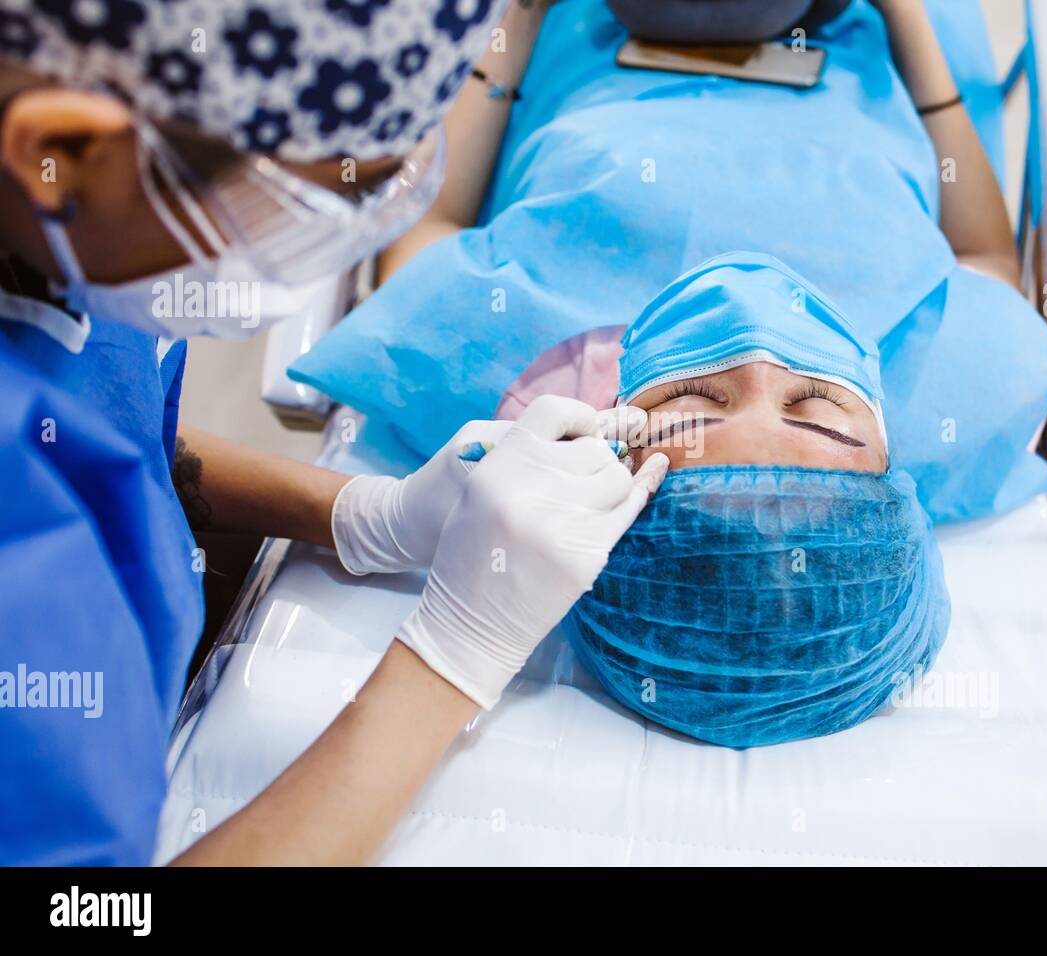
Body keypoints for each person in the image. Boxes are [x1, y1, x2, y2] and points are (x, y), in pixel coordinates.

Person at [0, 0, 668, 866]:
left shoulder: (80, 238)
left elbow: (101, 431)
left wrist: (361, 513)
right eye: (343, 187)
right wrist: (447, 662)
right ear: (63, 151)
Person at [293, 0, 1047, 746]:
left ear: (608, 452)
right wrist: (910, 27)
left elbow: (430, 219)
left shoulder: (506, 384)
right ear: (896, 463)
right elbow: (990, 257)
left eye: (695, 400)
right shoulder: (942, 391)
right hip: (858, 47)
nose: (759, 349)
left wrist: (519, 19)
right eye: (819, 407)